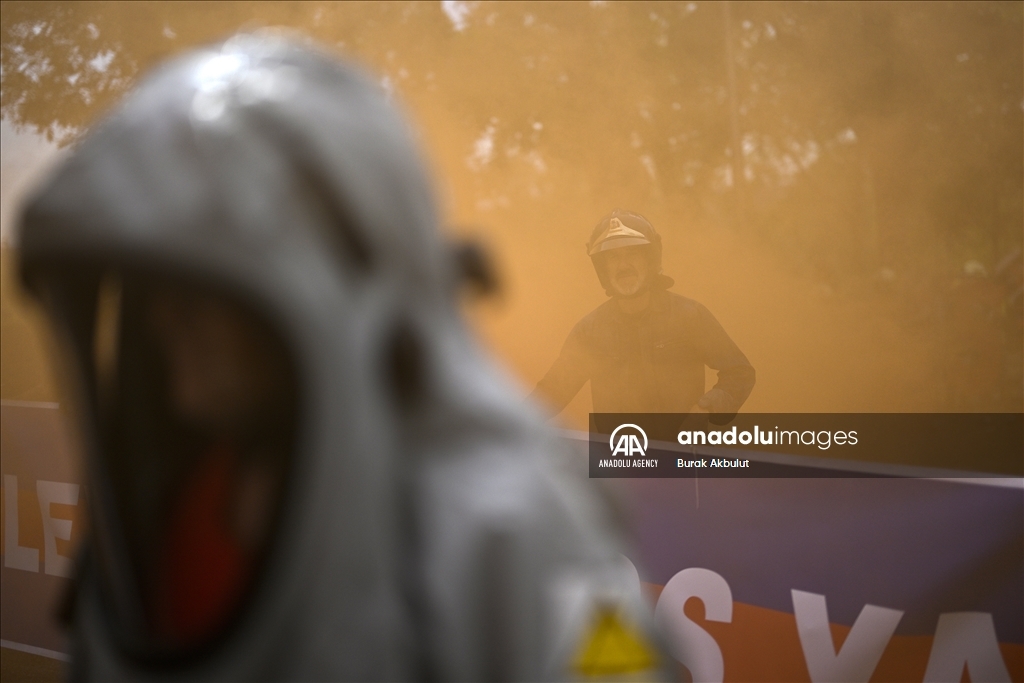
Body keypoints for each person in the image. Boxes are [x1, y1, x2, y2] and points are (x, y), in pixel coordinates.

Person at [17, 34, 668, 681]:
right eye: (156, 286)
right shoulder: (150, 519)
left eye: (200, 288)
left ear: (327, 285)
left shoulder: (512, 534)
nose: (164, 319)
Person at [531, 209, 755, 420]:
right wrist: (512, 428)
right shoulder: (589, 332)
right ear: (603, 268)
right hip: (618, 449)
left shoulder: (689, 316)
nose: (623, 265)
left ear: (650, 260)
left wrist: (707, 408)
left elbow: (740, 373)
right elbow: (553, 391)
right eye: (613, 257)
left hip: (681, 448)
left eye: (632, 253)